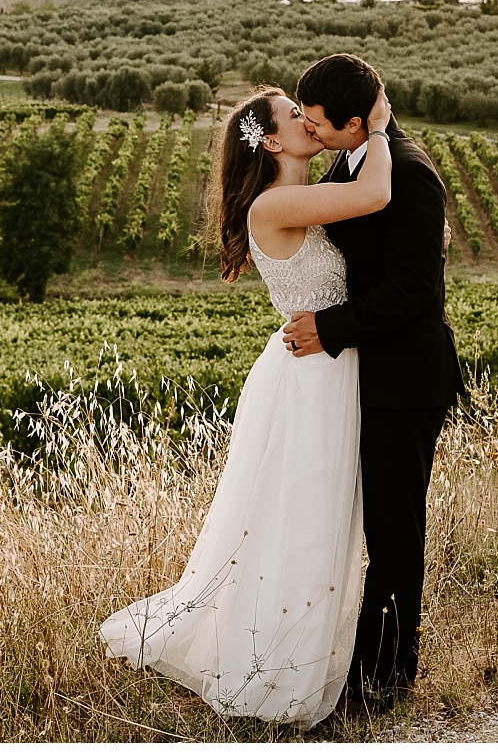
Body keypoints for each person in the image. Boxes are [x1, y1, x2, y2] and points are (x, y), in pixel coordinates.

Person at [100, 84, 395, 730]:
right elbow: (374, 194)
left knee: (311, 520)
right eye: (296, 115)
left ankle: (299, 658)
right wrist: (377, 125)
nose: (308, 120)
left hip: (325, 369)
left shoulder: (296, 196)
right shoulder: (276, 203)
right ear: (269, 140)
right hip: (311, 381)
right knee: (305, 523)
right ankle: (277, 669)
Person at [282, 53, 464, 708]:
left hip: (405, 382)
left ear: (357, 122)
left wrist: (328, 328)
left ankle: (384, 681)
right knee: (370, 529)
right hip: (369, 375)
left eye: (323, 124)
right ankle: (356, 665)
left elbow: (413, 292)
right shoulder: (357, 156)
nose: (314, 131)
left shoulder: (410, 174)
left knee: (394, 533)